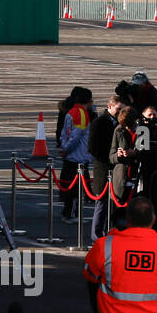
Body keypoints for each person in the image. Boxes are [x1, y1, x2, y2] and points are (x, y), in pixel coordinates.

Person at [88, 91, 129, 239]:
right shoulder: (99, 122)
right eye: (118, 109)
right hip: (104, 169)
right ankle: (97, 236)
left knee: (115, 205)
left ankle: (111, 234)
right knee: (102, 204)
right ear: (110, 106)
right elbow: (92, 148)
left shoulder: (122, 124)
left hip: (118, 171)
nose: (120, 113)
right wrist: (111, 157)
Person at [58, 87, 94, 221]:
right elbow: (76, 136)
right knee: (75, 189)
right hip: (77, 156)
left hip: (70, 155)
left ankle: (69, 213)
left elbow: (64, 133)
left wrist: (63, 147)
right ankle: (71, 214)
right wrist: (66, 149)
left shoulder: (71, 112)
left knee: (71, 186)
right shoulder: (81, 113)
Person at [109, 106, 138, 218]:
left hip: (136, 176)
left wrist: (134, 153)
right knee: (119, 216)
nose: (126, 127)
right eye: (124, 124)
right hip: (121, 178)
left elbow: (147, 154)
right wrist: (118, 155)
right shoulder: (118, 130)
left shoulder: (143, 130)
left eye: (129, 125)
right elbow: (111, 156)